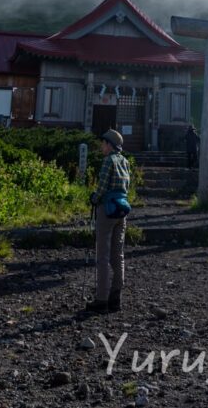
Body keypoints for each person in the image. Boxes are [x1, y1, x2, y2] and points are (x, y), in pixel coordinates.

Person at [87, 129, 132, 313]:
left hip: (106, 211)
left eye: (103, 143)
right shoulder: (125, 161)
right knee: (117, 254)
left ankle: (101, 300)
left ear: (109, 145)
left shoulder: (108, 161)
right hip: (122, 210)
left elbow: (102, 187)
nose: (101, 146)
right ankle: (116, 298)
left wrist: (94, 198)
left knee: (103, 256)